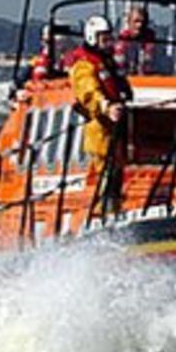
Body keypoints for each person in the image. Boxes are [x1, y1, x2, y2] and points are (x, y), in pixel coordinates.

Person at [69, 15, 133, 213]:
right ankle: (101, 212)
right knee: (105, 173)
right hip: (99, 128)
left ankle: (113, 208)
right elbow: (88, 92)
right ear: (92, 37)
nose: (108, 43)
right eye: (103, 39)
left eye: (109, 38)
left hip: (114, 128)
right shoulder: (84, 65)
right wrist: (106, 106)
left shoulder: (107, 62)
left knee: (115, 172)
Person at [113, 2, 170, 76]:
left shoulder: (154, 43)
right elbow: (118, 68)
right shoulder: (121, 42)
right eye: (136, 21)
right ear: (129, 22)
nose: (139, 25)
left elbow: (163, 65)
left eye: (143, 22)